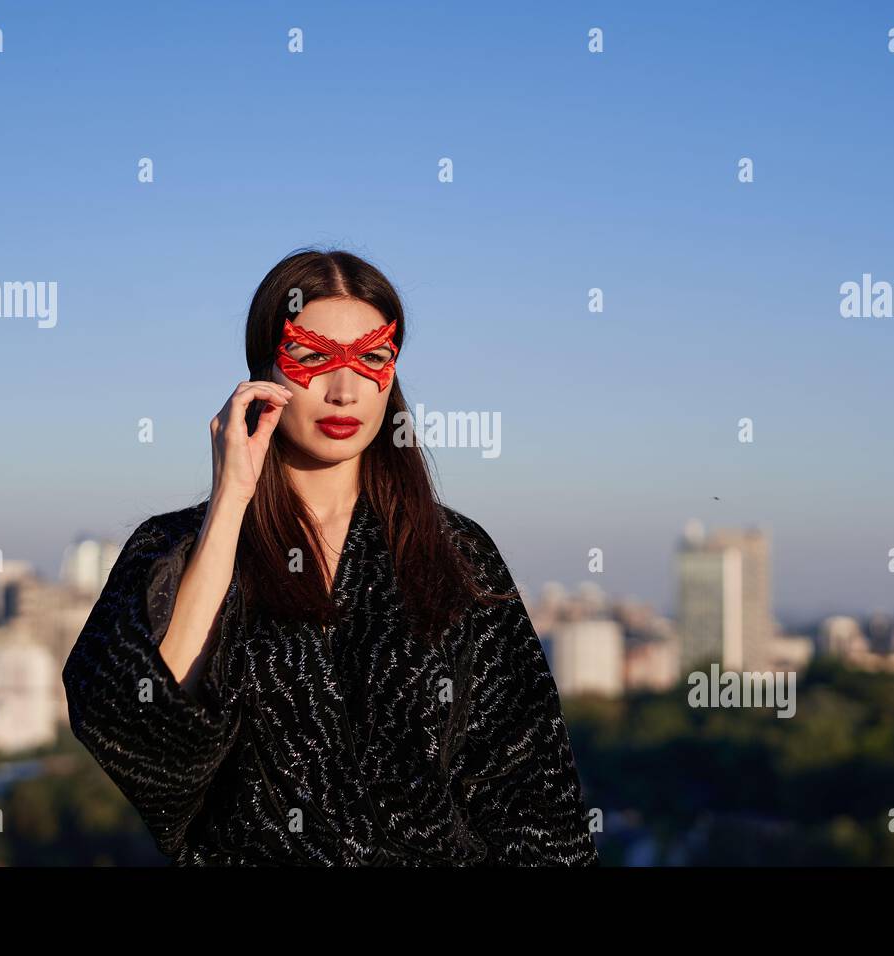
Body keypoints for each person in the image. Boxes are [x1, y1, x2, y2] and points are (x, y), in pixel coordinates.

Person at [62, 248, 599, 866]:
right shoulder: (174, 549)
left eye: (372, 357)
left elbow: (531, 790)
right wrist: (230, 502)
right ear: (265, 369)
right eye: (313, 357)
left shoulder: (454, 552)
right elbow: (146, 734)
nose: (344, 391)